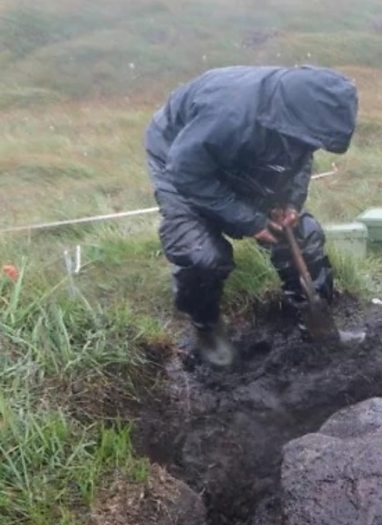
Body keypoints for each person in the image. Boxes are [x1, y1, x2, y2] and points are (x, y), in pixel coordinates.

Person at [145, 65, 358, 366]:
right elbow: (186, 172)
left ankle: (317, 327)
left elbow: (299, 158)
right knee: (202, 256)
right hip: (180, 161)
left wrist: (291, 203)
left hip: (248, 159)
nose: (310, 146)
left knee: (302, 236)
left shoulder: (297, 122)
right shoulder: (227, 115)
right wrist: (250, 220)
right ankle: (207, 329)